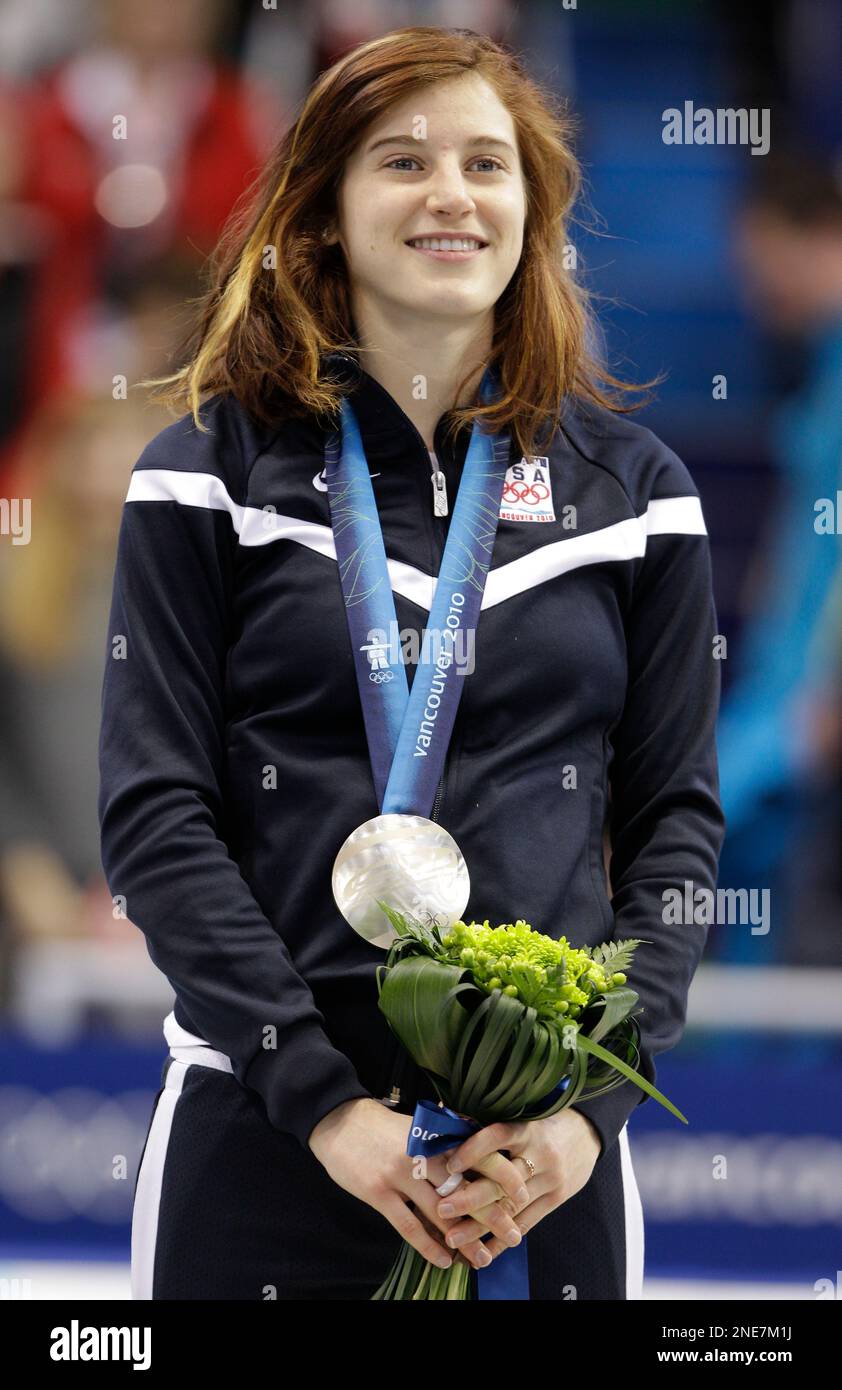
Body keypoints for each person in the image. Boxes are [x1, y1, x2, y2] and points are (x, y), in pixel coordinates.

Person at [98, 27, 726, 1301]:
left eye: (487, 165)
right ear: (323, 214)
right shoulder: (206, 478)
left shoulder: (634, 496)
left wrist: (581, 1117)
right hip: (270, 1138)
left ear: (531, 214)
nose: (452, 193)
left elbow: (673, 831)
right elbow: (156, 817)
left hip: (538, 1168)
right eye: (402, 160)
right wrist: (328, 1105)